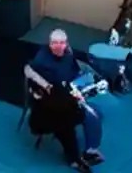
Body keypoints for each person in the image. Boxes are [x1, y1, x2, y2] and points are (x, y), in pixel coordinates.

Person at [25, 29, 105, 169]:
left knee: (92, 114)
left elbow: (74, 73)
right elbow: (32, 77)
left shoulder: (68, 55)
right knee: (67, 123)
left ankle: (89, 150)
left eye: (62, 43)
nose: (58, 46)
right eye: (54, 43)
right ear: (49, 44)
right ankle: (77, 158)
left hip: (67, 97)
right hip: (47, 109)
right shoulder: (41, 63)